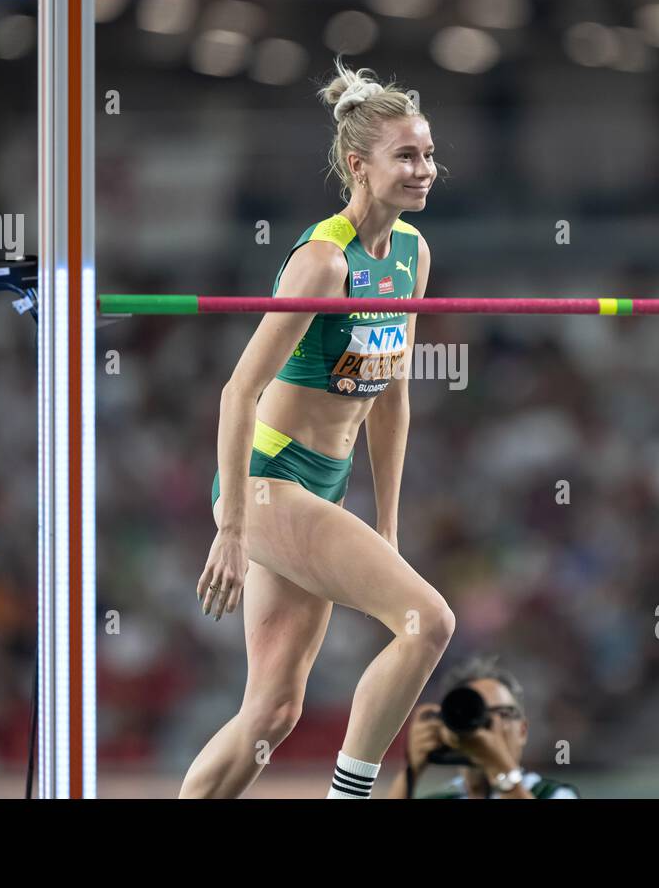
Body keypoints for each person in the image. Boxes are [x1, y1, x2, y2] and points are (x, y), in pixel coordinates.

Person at [180, 58, 449, 799]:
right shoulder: (323, 262)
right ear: (360, 166)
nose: (425, 169)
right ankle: (350, 795)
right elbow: (239, 392)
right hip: (267, 482)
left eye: (428, 154)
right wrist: (233, 526)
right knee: (428, 622)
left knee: (271, 713)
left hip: (319, 489)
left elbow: (391, 398)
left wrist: (388, 525)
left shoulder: (412, 255)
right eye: (407, 156)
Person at [387, 656, 580, 799]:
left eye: (502, 713)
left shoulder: (553, 793)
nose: (484, 727)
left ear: (522, 730)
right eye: (474, 714)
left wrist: (499, 768)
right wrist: (411, 769)